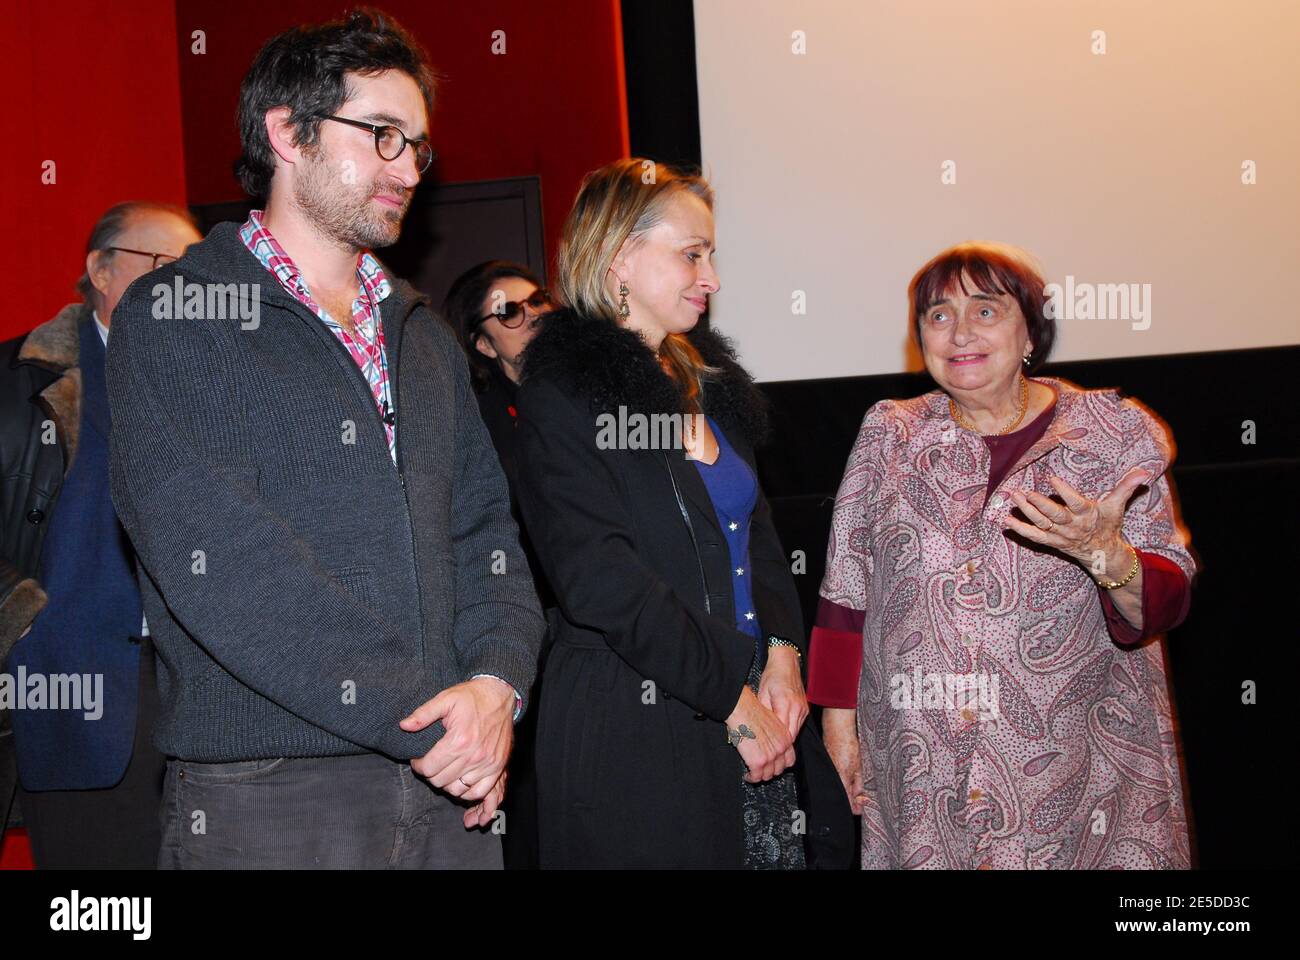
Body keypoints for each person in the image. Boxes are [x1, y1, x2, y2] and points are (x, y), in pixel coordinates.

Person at [105, 9, 543, 869]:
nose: (407, 167)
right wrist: (430, 717)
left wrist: (495, 690)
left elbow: (489, 537)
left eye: (417, 146)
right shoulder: (176, 318)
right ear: (288, 134)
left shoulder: (422, 335)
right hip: (270, 795)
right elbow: (223, 564)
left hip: (452, 784)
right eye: (381, 134)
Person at [810, 241, 1196, 869]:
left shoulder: (1112, 433)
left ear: (1029, 334)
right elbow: (846, 591)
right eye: (937, 315)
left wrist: (1107, 556)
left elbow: (1165, 600)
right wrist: (838, 724)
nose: (959, 331)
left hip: (1081, 772)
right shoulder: (890, 432)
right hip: (922, 760)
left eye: (985, 311)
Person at [515, 158, 852, 868]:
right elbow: (600, 579)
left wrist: (785, 658)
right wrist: (734, 703)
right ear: (618, 258)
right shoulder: (565, 391)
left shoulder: (704, 379)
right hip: (640, 724)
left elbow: (756, 530)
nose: (713, 278)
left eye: (712, 255)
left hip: (754, 707)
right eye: (691, 254)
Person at [0, 202, 200, 867]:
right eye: (167, 268)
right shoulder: (17, 382)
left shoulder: (214, 389)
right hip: (67, 685)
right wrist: (20, 616)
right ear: (101, 270)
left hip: (198, 694)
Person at [444, 260, 557, 868]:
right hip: (512, 639)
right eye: (508, 310)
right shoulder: (478, 421)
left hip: (581, 633)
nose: (531, 312)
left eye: (536, 299)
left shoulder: (579, 400)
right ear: (482, 342)